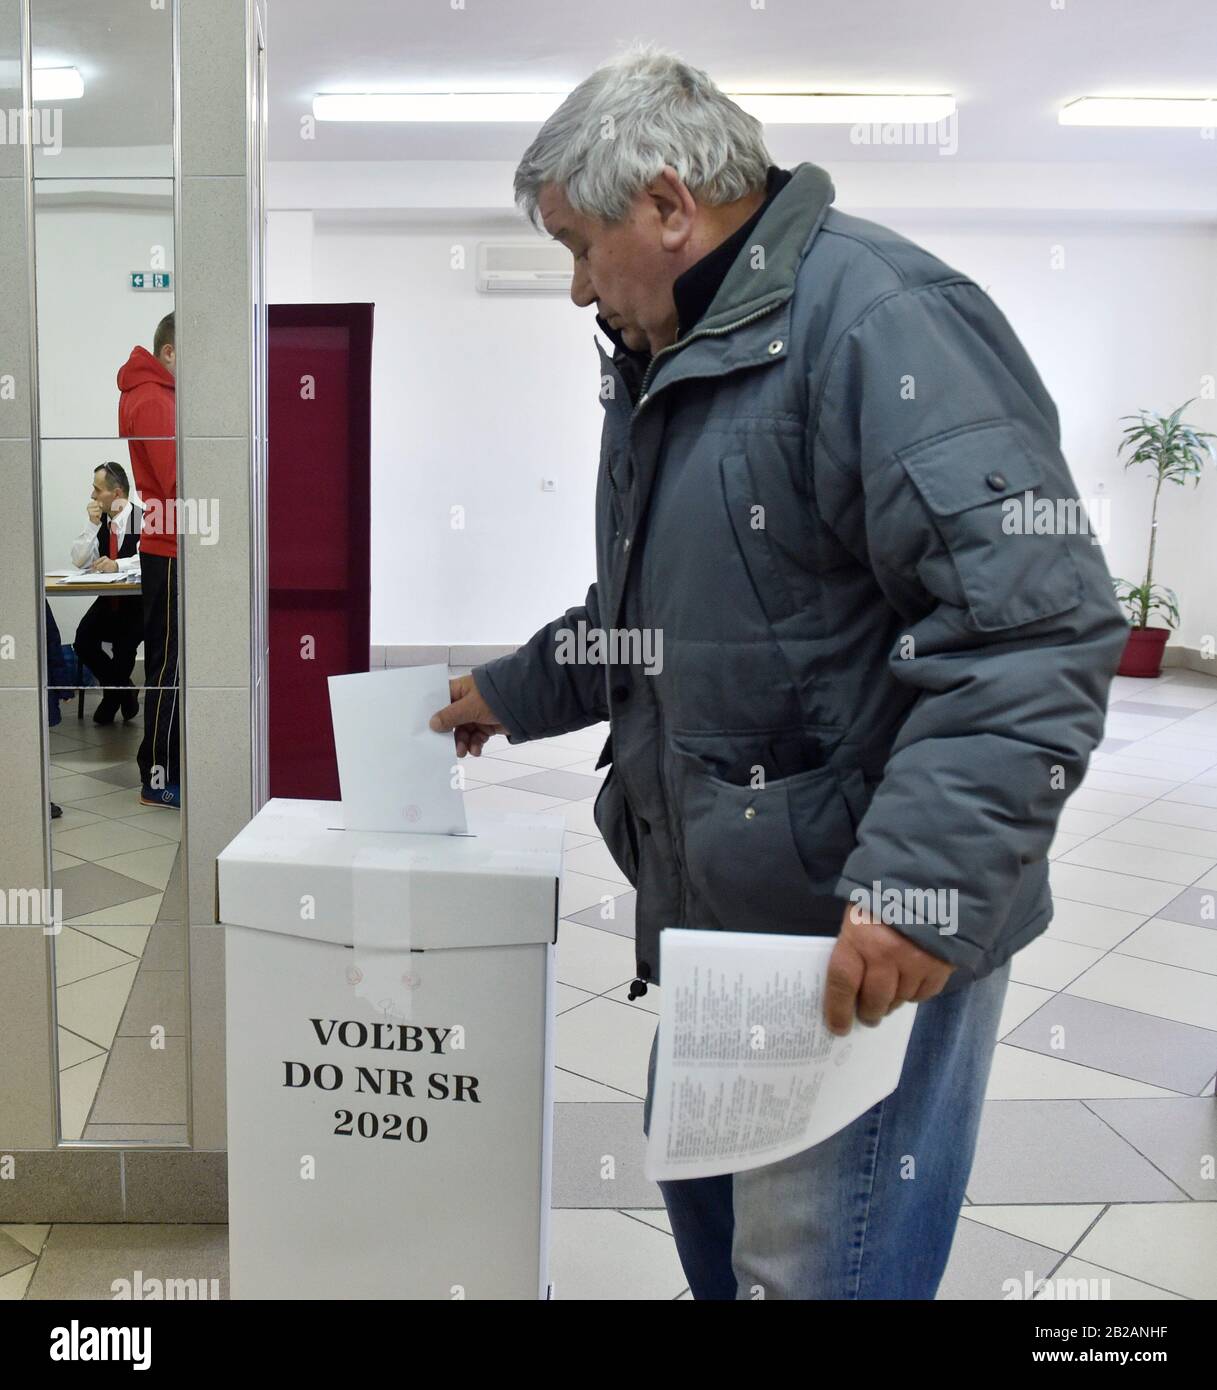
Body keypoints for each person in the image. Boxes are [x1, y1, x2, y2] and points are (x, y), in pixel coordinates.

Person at [429, 48, 1129, 1299]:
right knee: (710, 1216)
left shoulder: (880, 321)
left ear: (665, 204)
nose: (577, 284)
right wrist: (509, 689)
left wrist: (918, 882)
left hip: (852, 921)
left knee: (810, 1270)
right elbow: (656, 617)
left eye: (580, 246)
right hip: (731, 913)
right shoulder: (676, 357)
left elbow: (1029, 625)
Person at [117, 311, 179, 808]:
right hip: (170, 547)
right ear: (170, 352)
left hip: (167, 545)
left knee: (168, 664)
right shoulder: (156, 399)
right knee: (165, 667)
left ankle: (162, 769)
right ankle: (156, 778)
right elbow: (178, 481)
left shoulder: (153, 393)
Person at [70, 461, 143, 724]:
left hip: (136, 606)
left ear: (117, 493)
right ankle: (123, 691)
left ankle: (113, 697)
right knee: (83, 639)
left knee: (125, 645)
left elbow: (146, 559)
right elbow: (79, 560)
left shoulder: (142, 518)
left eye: (97, 489)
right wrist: (91, 525)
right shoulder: (101, 523)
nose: (92, 495)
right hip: (108, 601)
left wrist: (117, 564)